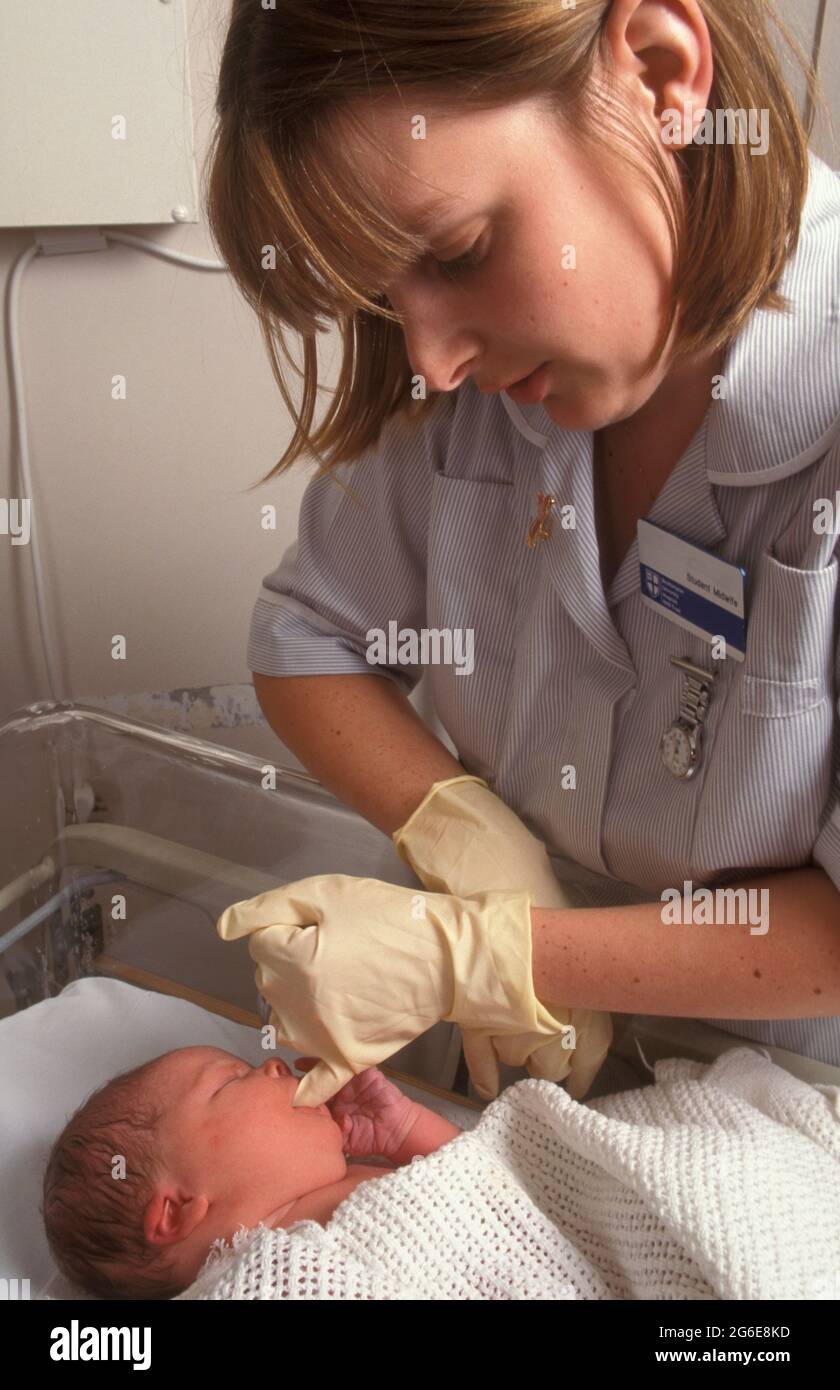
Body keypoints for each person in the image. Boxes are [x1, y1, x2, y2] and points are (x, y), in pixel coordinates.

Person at [205, 0, 840, 1108]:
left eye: (460, 251)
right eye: (380, 295)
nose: (435, 359)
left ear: (657, 72)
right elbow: (303, 635)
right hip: (539, 1094)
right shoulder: (474, 400)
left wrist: (496, 954)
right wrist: (466, 830)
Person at [40, 1046, 461, 1300]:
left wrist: (405, 1131)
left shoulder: (349, 1182)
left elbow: (482, 1181)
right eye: (231, 1080)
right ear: (177, 1209)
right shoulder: (262, 1278)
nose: (275, 1063)